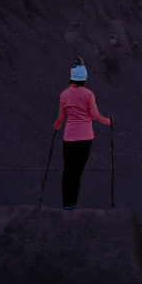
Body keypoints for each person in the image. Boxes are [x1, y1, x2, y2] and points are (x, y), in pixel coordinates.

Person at [53, 60, 111, 211]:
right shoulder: (88, 95)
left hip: (69, 138)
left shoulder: (64, 95)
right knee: (77, 171)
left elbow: (61, 118)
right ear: (84, 78)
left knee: (68, 170)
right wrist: (107, 121)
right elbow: (94, 115)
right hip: (85, 139)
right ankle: (73, 204)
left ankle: (67, 204)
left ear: (72, 77)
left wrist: (56, 126)